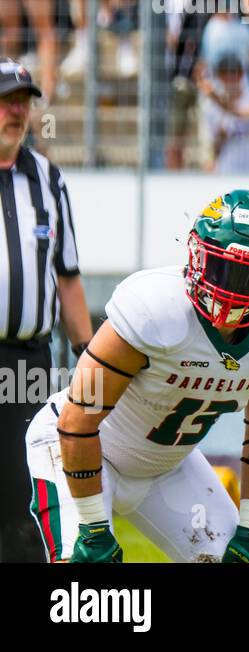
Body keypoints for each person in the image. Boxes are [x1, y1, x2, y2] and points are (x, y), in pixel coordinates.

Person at [26, 190, 249, 562]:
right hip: (81, 450)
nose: (231, 290)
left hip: (167, 468)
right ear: (197, 256)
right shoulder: (155, 310)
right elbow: (79, 418)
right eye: (222, 269)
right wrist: (93, 529)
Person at [0, 59, 91, 562]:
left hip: (28, 365)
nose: (16, 111)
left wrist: (89, 356)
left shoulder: (48, 179)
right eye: (6, 101)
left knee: (26, 492)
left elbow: (68, 276)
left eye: (23, 102)